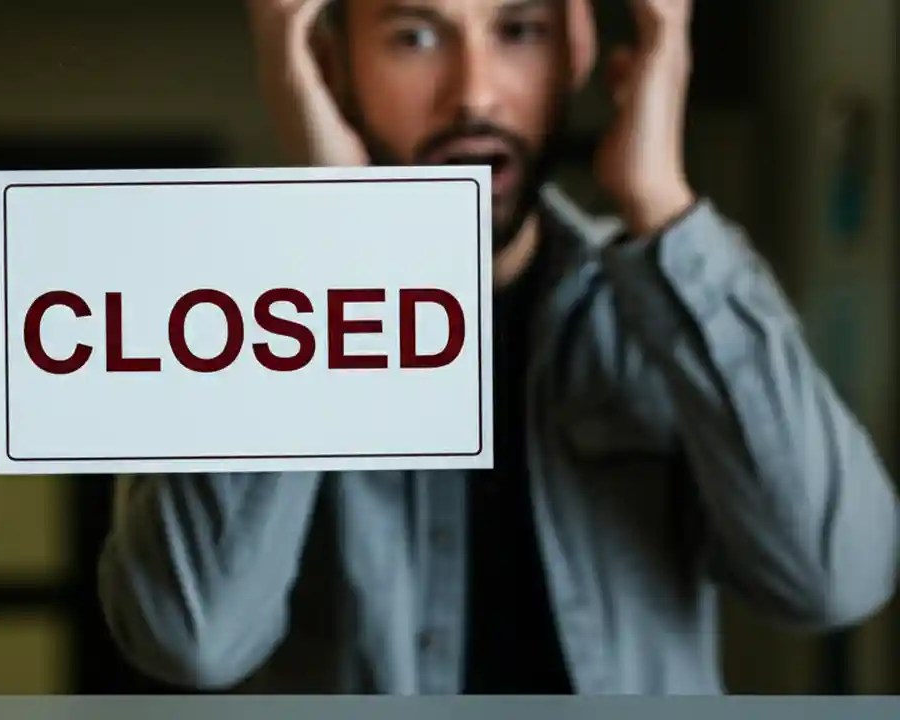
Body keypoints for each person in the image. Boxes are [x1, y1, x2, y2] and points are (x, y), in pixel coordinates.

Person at [97, 0, 900, 694]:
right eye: (415, 37)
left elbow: (836, 576)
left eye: (518, 30)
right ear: (331, 65)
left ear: (577, 49)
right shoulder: (233, 320)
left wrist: (660, 201)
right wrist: (321, 233)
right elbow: (189, 636)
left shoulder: (665, 306)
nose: (475, 93)